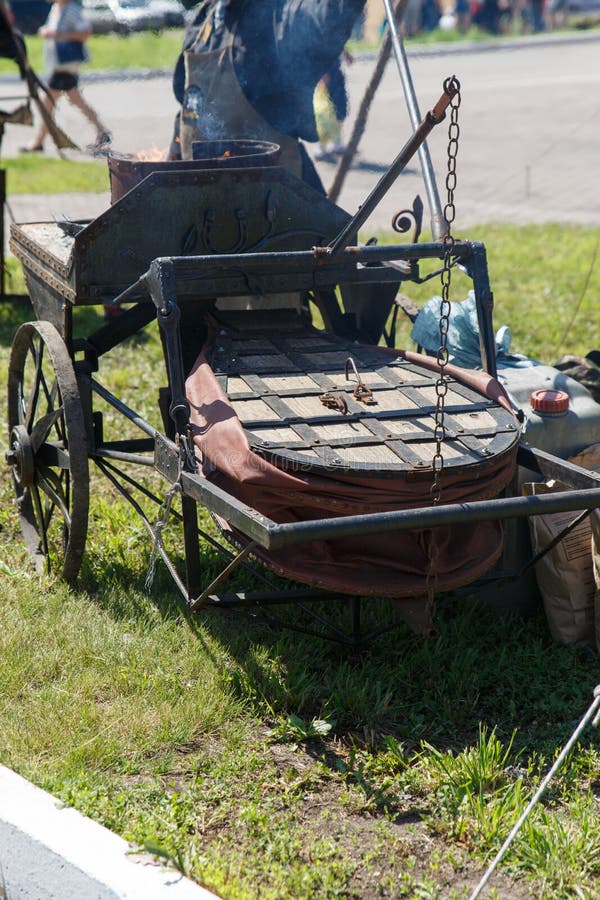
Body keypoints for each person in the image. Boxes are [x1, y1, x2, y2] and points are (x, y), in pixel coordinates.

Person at [169, 0, 366, 194]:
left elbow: (326, 20)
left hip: (271, 198)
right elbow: (189, 103)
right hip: (201, 195)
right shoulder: (205, 19)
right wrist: (173, 157)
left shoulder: (275, 15)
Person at [20, 0, 111, 154]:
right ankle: (102, 131)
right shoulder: (57, 8)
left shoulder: (71, 9)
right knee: (71, 100)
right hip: (59, 64)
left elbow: (85, 31)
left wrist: (57, 34)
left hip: (65, 65)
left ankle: (38, 141)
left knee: (49, 102)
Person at [314, 54, 349, 162]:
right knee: (326, 114)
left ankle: (337, 144)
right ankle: (321, 148)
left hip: (335, 71)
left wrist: (346, 53)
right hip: (327, 72)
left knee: (339, 110)